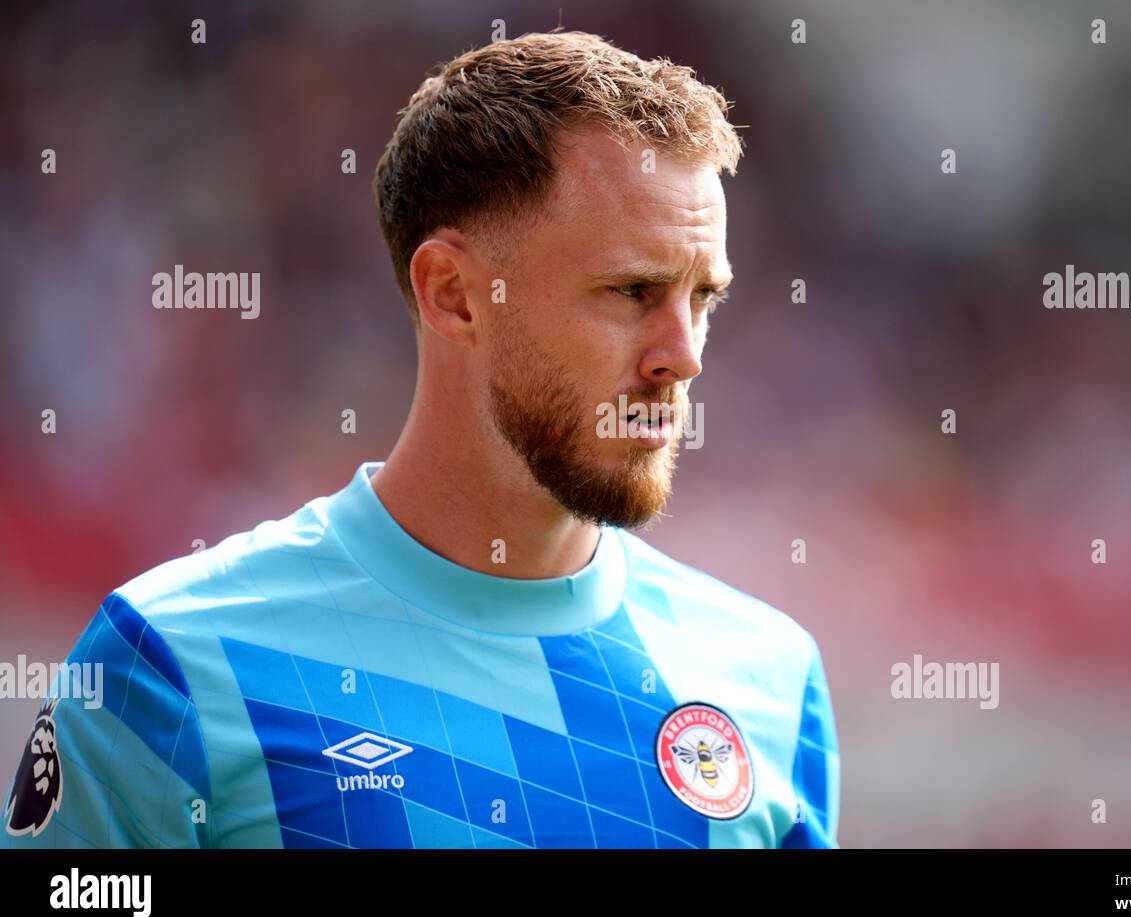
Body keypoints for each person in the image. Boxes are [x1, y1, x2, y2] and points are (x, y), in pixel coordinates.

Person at [2, 30, 839, 849]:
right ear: (455, 295)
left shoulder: (769, 678)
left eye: (704, 297)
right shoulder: (172, 665)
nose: (683, 355)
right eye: (631, 291)